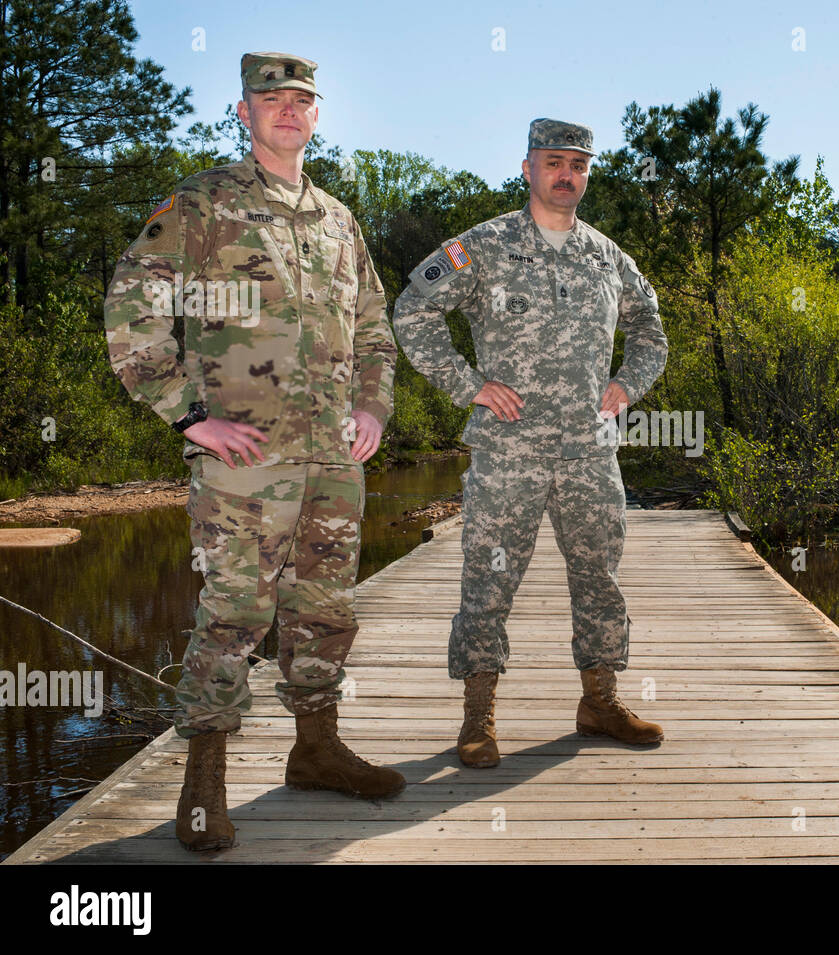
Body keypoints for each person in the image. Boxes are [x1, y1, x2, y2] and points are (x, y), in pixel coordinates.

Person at [103, 52, 404, 851]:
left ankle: (317, 748)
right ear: (244, 111)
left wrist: (373, 405)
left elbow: (374, 325)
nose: (289, 109)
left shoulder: (338, 218)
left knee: (325, 609)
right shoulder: (203, 204)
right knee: (233, 614)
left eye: (302, 98)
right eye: (272, 99)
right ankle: (204, 782)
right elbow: (133, 304)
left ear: (318, 113)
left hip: (333, 459)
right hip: (245, 461)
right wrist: (187, 414)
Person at [393, 118, 669, 768]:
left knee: (599, 577)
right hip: (507, 449)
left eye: (578, 164)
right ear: (527, 168)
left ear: (587, 174)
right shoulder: (483, 245)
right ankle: (477, 718)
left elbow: (650, 329)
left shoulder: (608, 257)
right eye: (553, 161)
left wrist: (627, 384)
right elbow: (412, 310)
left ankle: (600, 702)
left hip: (589, 452)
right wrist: (469, 384)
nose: (565, 174)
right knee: (488, 581)